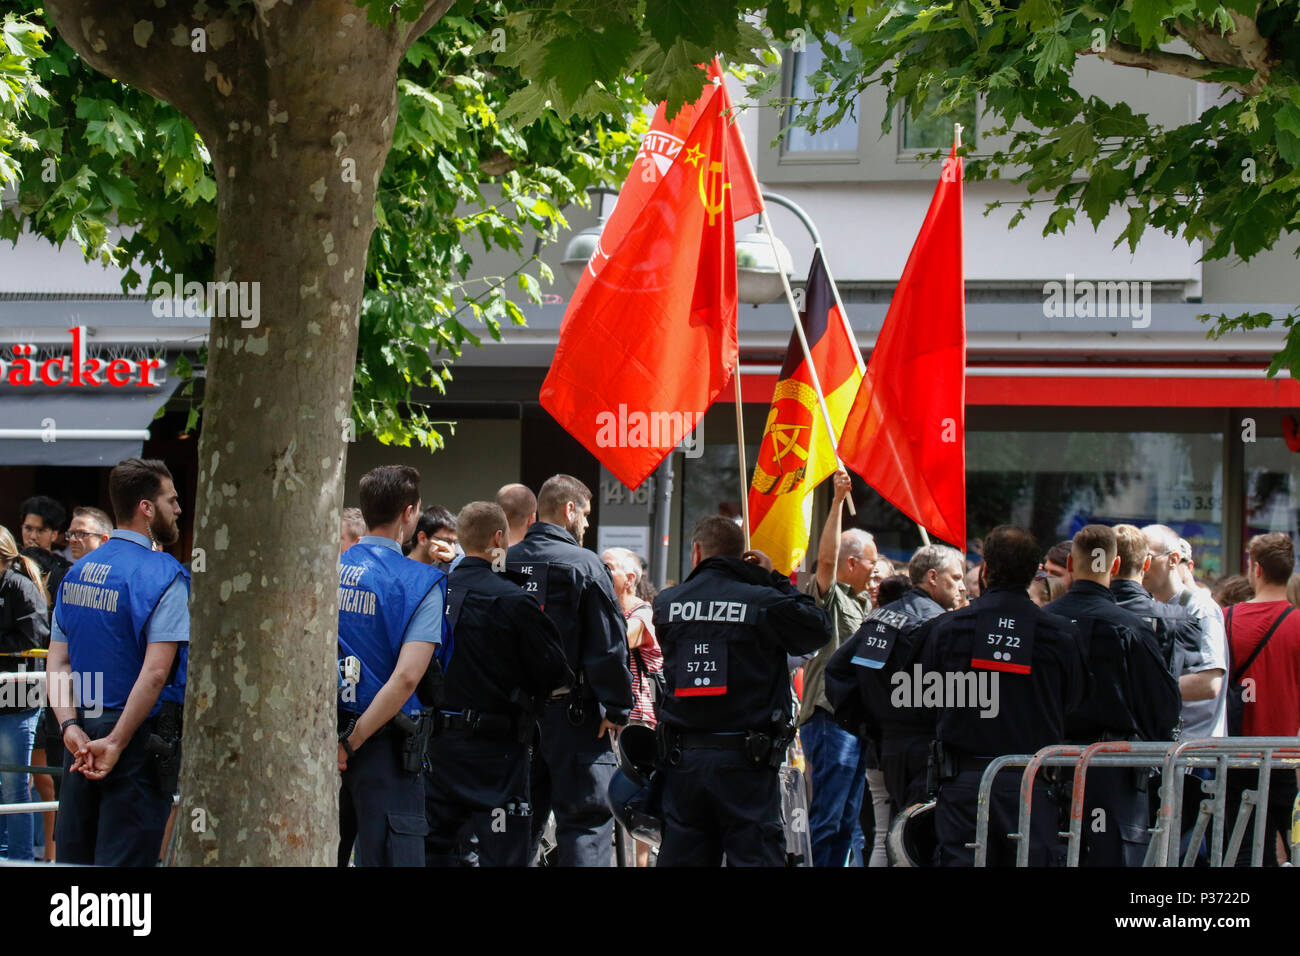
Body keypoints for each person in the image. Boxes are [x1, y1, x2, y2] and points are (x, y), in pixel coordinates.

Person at [653, 516, 831, 866]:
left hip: (684, 764)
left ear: (696, 552)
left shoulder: (666, 604)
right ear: (743, 558)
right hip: (745, 765)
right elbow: (818, 628)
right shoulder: (763, 602)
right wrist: (774, 578)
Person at [916, 525, 1087, 866]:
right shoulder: (1061, 636)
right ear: (1034, 573)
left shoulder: (947, 629)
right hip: (1029, 784)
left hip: (967, 785)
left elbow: (924, 699)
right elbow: (1076, 703)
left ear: (986, 570)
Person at [46, 459, 189, 866]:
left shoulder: (76, 574)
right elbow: (157, 671)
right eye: (171, 500)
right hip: (137, 741)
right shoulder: (165, 576)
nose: (178, 509)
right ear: (146, 508)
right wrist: (116, 742)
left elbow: (57, 663)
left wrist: (70, 726)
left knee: (75, 865)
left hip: (80, 738)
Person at [424, 502, 572, 867]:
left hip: (437, 747)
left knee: (435, 851)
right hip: (497, 754)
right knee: (503, 852)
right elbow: (556, 674)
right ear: (498, 538)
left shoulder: (433, 591)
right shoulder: (515, 600)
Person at [507, 474, 633, 866]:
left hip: (512, 719)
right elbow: (608, 646)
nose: (587, 525)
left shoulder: (504, 563)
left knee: (513, 826)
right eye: (586, 515)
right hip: (574, 719)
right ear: (569, 510)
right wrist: (616, 708)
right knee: (584, 824)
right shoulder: (585, 565)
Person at [1043, 525, 1181, 866]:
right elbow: (1162, 708)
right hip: (1113, 770)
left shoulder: (1042, 622)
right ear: (1116, 566)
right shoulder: (1130, 628)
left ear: (1072, 565)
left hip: (1044, 764)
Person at [337, 465, 446, 867]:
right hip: (384, 747)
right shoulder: (421, 583)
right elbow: (405, 679)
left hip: (321, 737)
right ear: (410, 513)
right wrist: (351, 742)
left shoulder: (325, 572)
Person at [827, 543, 966, 829]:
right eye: (955, 577)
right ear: (932, 577)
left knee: (895, 834)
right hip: (925, 749)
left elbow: (839, 670)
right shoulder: (936, 623)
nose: (961, 586)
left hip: (890, 747)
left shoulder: (878, 617)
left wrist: (870, 726)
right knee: (918, 838)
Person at [795, 469, 874, 868]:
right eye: (872, 565)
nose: (877, 574)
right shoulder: (828, 595)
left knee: (846, 819)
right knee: (826, 818)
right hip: (828, 719)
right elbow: (825, 558)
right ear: (852, 564)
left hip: (854, 723)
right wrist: (838, 501)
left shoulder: (864, 605)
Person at [1222, 532, 1300, 865]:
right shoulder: (1297, 622)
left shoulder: (1227, 619)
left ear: (1256, 569)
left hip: (1235, 754)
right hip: (1286, 756)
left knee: (1243, 852)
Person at [601, 546, 661, 867]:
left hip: (637, 720)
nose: (600, 570)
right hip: (606, 716)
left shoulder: (642, 611)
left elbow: (623, 639)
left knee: (637, 798)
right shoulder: (600, 611)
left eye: (608, 567)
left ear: (630, 579)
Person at [1142, 524, 1228, 741]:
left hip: (1196, 751)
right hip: (1160, 748)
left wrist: (1142, 689)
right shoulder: (1146, 607)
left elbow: (1209, 683)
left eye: (1148, 557)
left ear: (1173, 560)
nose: (1141, 565)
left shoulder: (1201, 608)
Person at [0, 526, 49, 862]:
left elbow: (35, 639)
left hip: (18, 698)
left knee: (15, 783)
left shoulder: (19, 586)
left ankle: (18, 858)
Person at [19, 496, 72, 601]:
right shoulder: (9, 563)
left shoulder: (64, 571)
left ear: (54, 535)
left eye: (41, 530)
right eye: (28, 528)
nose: (33, 536)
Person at [408, 505, 459, 570]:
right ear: (422, 538)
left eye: (454, 542)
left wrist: (451, 562)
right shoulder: (399, 570)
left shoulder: (449, 566)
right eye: (446, 541)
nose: (452, 549)